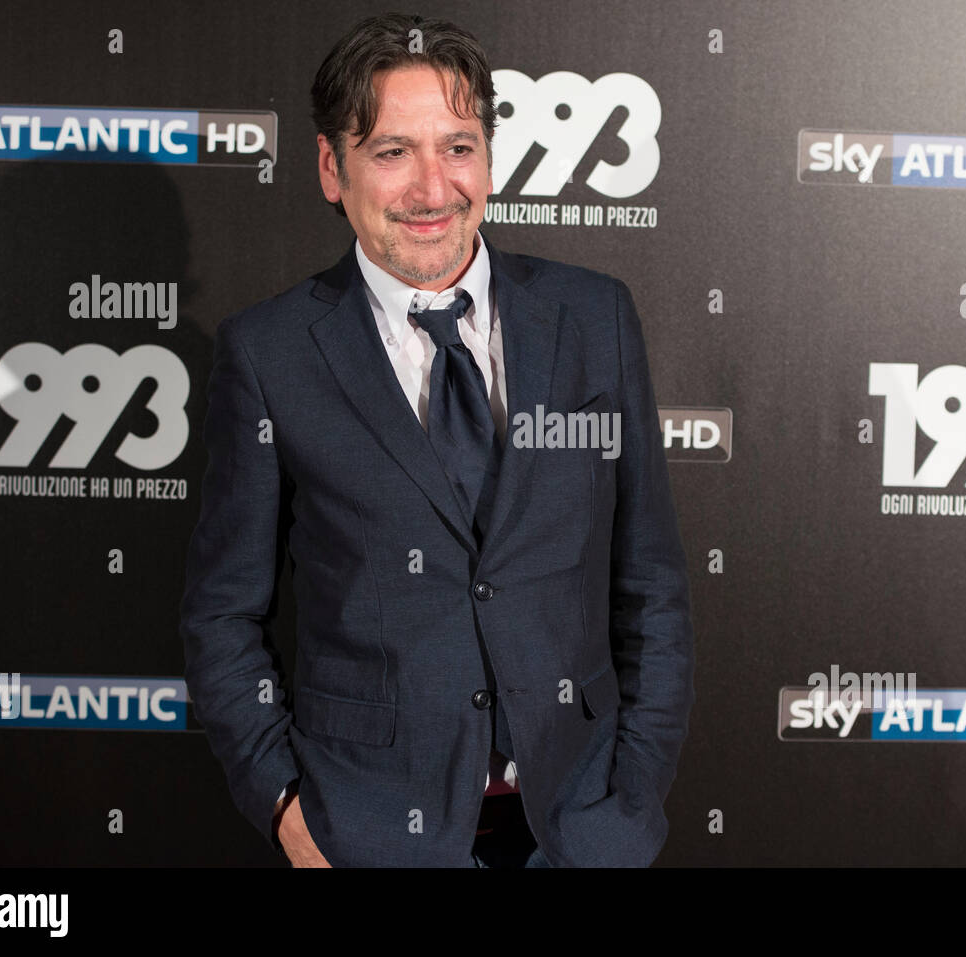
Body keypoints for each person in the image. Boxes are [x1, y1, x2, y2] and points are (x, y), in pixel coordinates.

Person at [180, 12, 694, 867]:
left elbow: (651, 581)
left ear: (488, 156)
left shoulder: (595, 319)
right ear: (329, 168)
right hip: (371, 833)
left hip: (579, 828)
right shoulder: (269, 353)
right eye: (391, 152)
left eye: (458, 147)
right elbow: (224, 612)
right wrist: (287, 809)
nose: (432, 188)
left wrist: (629, 799)